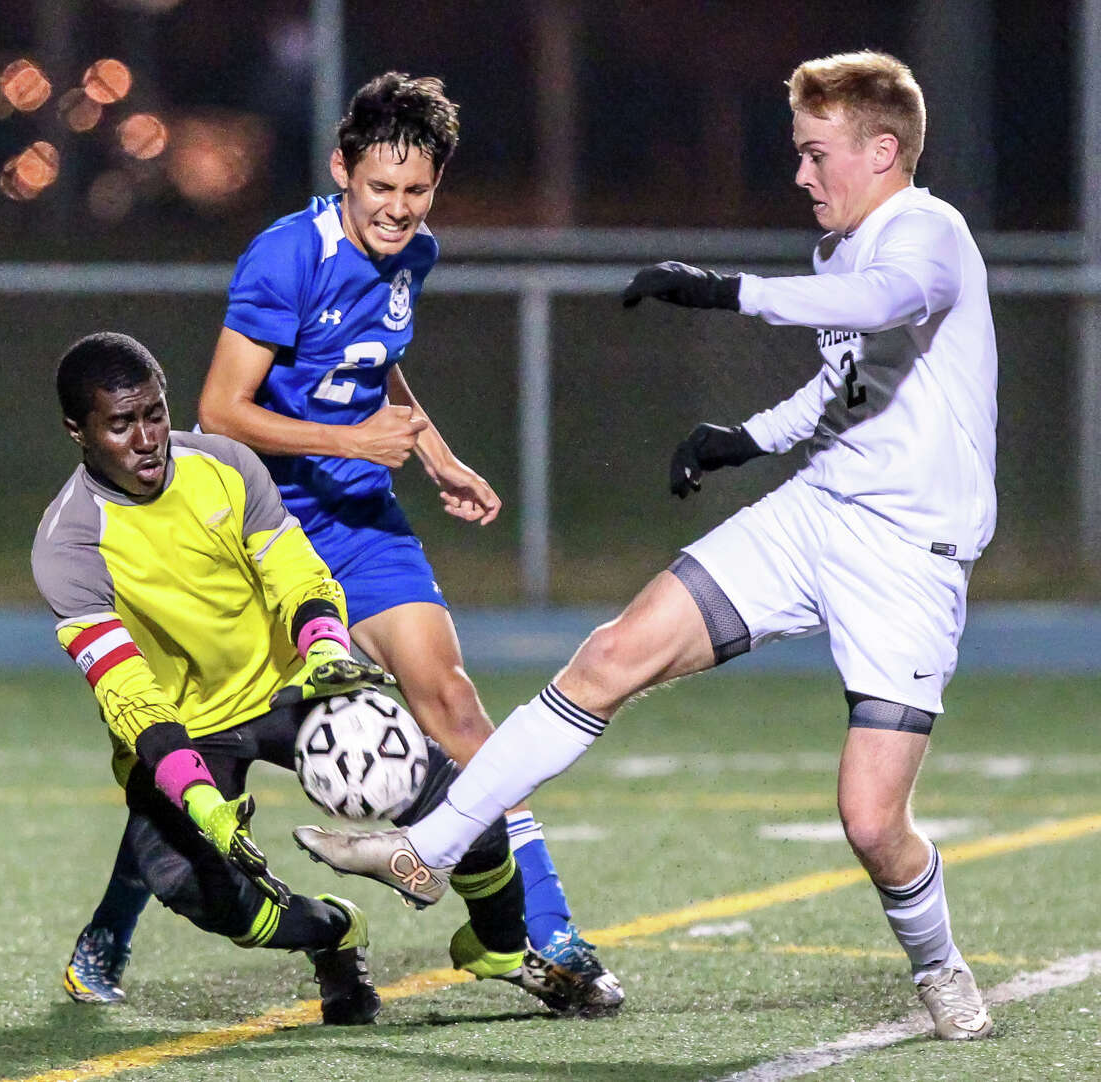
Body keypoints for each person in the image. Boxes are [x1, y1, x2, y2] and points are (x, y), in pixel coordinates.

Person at [295, 51, 999, 1042]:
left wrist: (725, 291)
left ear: (884, 150)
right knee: (609, 654)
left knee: (871, 821)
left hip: (909, 559)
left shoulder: (928, 235)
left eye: (814, 155)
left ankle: (940, 965)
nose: (800, 176)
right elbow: (847, 384)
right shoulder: (843, 251)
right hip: (815, 514)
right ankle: (428, 849)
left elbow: (876, 310)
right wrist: (742, 439)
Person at [64, 72, 622, 1015]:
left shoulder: (417, 252)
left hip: (361, 522)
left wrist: (435, 454)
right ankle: (108, 933)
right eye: (380, 190)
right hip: (262, 535)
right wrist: (354, 440)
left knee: (453, 703)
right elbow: (219, 412)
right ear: (340, 172)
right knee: (208, 757)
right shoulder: (284, 257)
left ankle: (543, 932)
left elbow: (374, 359)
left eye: (417, 192)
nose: (399, 210)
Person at [36, 332, 582, 1023]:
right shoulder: (68, 545)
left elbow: (297, 572)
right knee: (197, 891)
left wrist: (324, 647)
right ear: (76, 431)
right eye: (121, 424)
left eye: (154, 413)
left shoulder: (225, 464)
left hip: (291, 686)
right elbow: (127, 692)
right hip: (188, 728)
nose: (148, 438)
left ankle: (500, 946)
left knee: (461, 800)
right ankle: (334, 933)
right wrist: (200, 800)